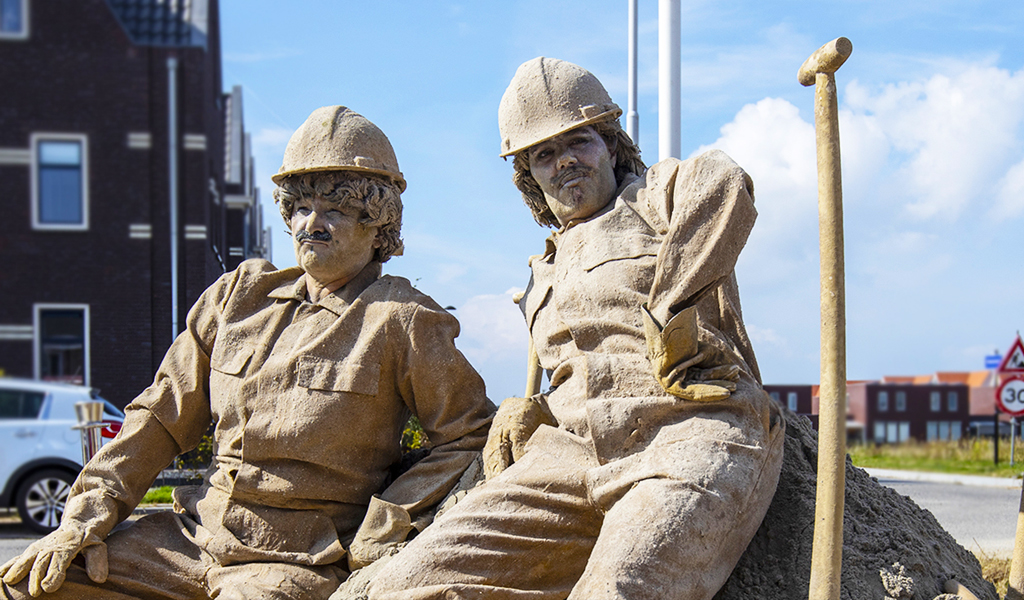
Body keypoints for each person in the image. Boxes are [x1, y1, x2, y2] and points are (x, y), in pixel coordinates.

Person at [0, 106, 497, 599]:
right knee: (29, 585)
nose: (312, 223)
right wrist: (84, 517)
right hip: (188, 541)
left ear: (378, 223)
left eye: (336, 209)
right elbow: (159, 416)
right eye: (300, 207)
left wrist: (386, 522)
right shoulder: (236, 297)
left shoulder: (403, 319)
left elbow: (469, 437)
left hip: (292, 559)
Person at [369, 58, 781, 599]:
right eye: (544, 154)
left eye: (579, 142)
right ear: (529, 176)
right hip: (569, 454)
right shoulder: (542, 270)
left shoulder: (656, 194)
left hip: (688, 429)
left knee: (619, 589)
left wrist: (672, 306)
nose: (564, 160)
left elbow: (724, 180)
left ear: (609, 144)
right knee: (403, 585)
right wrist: (535, 406)